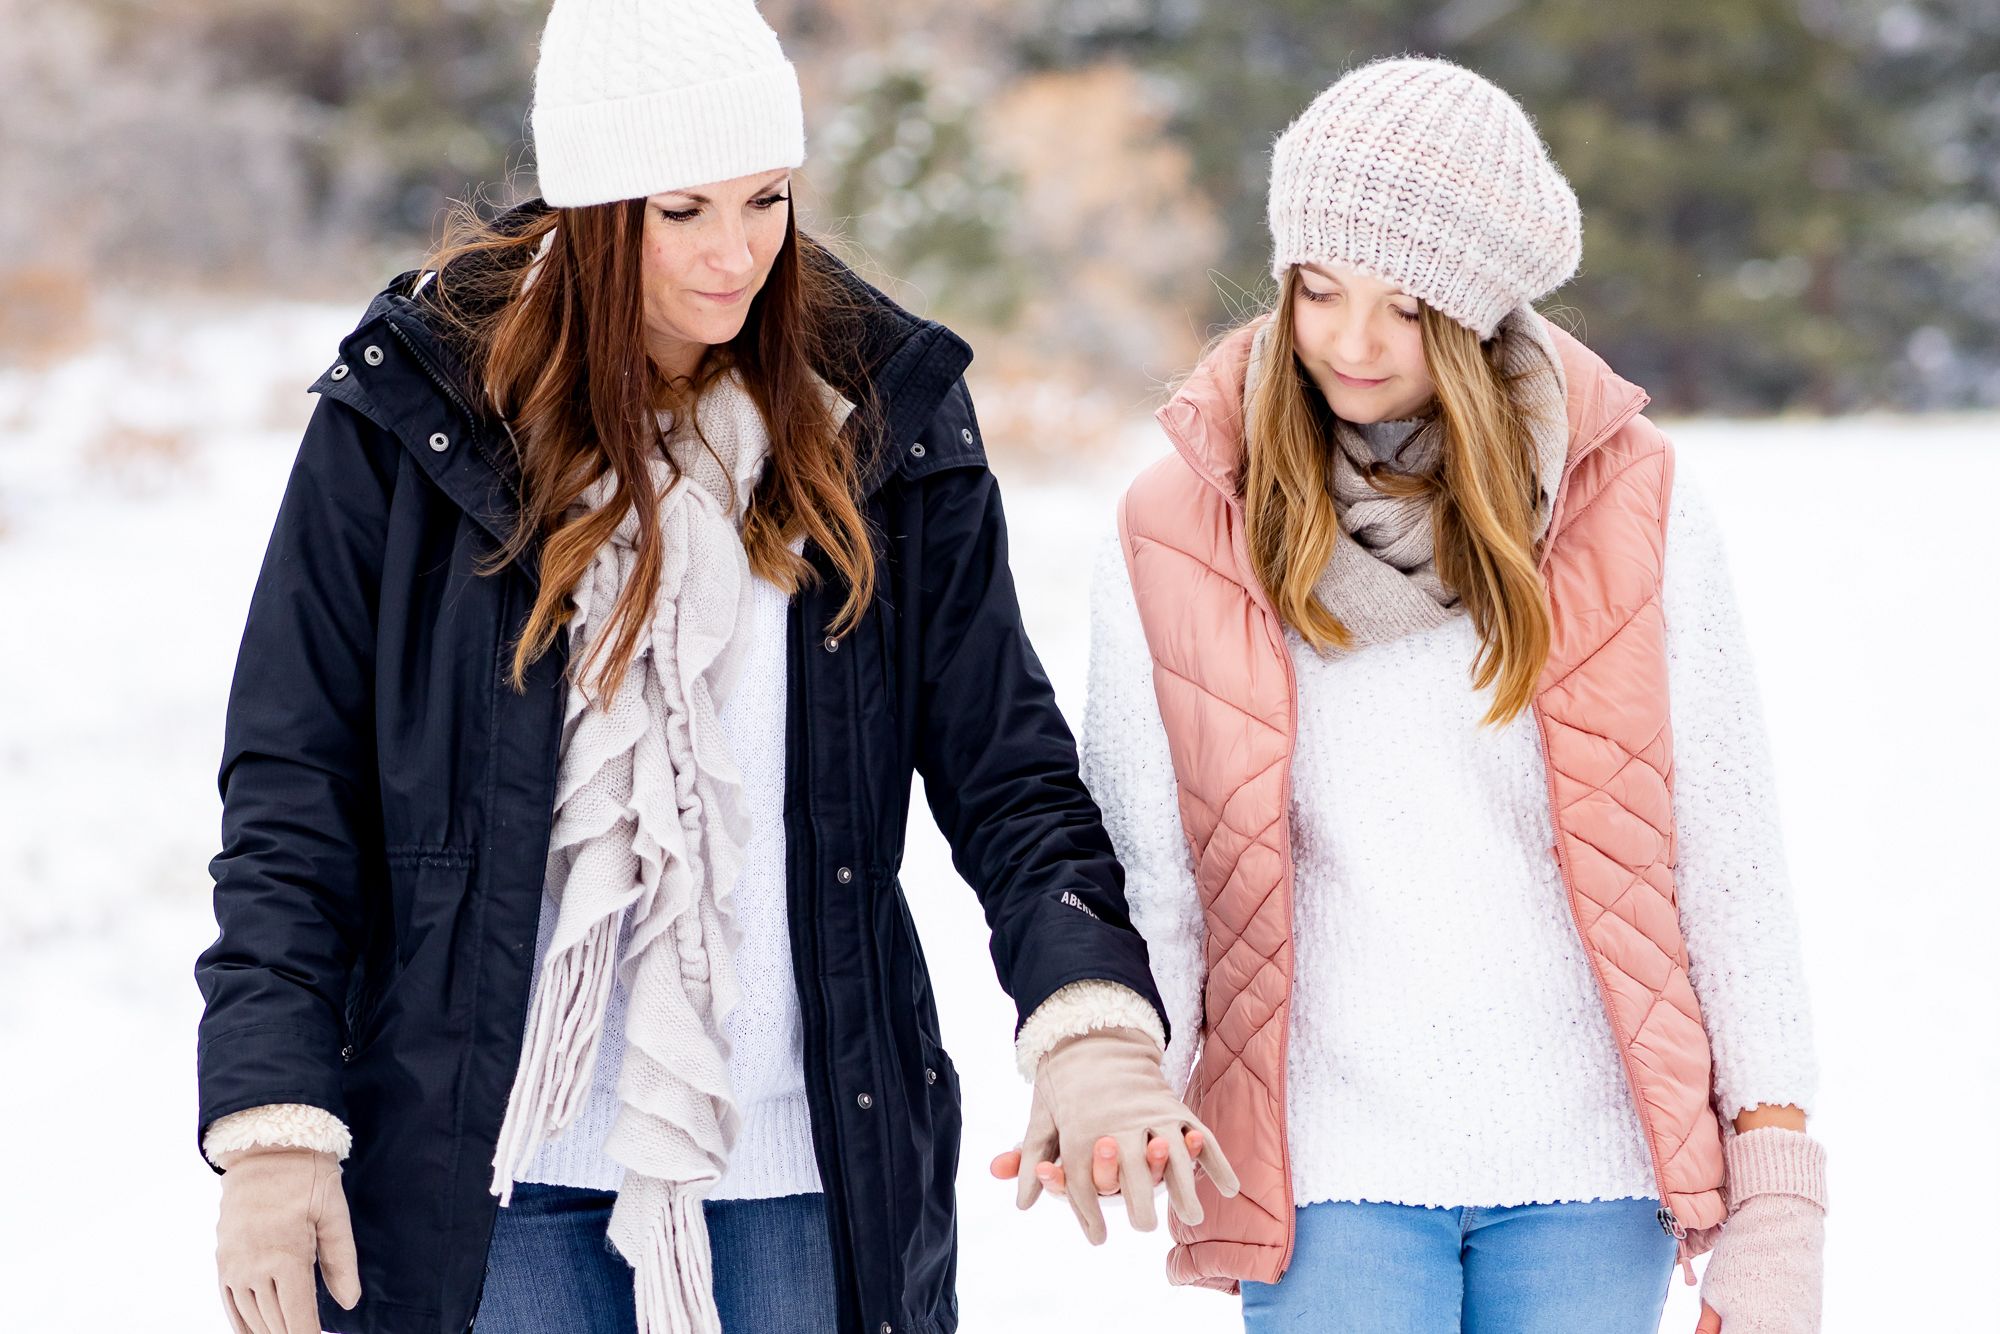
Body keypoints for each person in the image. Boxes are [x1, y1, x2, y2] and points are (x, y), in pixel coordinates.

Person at [191, 2, 1232, 1331]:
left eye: (768, 200)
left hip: (793, 1167)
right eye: (679, 211)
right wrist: (275, 1123)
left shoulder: (879, 415)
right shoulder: (419, 414)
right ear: (588, 204)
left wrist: (1090, 1025)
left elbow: (1007, 771)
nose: (734, 255)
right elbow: (294, 793)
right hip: (485, 1163)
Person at [1074, 57, 1827, 1333]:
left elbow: (1723, 850)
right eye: (1317, 289)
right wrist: (1123, 1067)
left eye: (1406, 308)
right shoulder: (1182, 516)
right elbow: (1151, 861)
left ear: (1476, 313)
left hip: (1590, 1165)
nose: (1349, 343)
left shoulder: (1623, 498)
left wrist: (1778, 1192)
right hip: (1325, 1166)